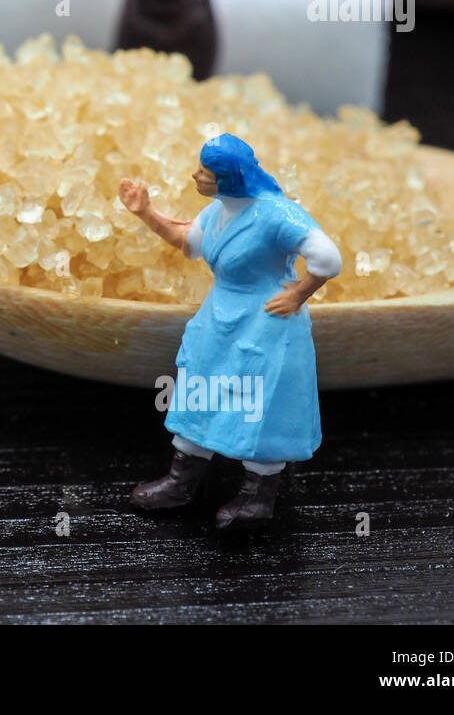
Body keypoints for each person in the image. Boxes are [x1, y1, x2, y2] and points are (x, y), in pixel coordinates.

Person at [117, 133, 342, 530]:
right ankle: (180, 482)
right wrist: (145, 212)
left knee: (258, 403)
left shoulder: (276, 214)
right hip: (218, 318)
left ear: (231, 176)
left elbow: (327, 257)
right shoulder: (217, 213)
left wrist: (297, 295)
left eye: (206, 171)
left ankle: (259, 497)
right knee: (198, 391)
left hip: (265, 321)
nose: (196, 175)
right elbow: (186, 241)